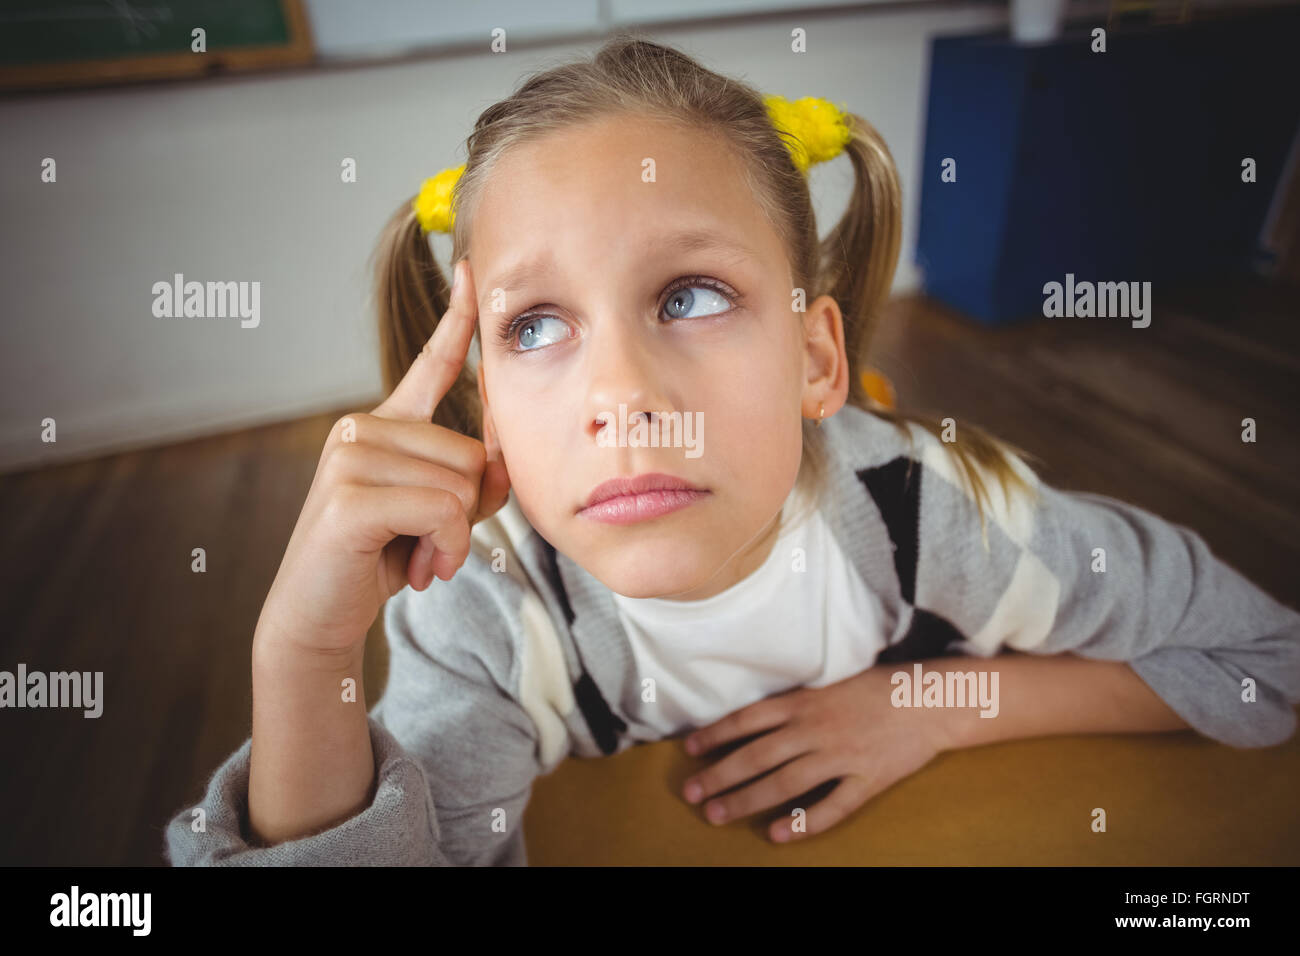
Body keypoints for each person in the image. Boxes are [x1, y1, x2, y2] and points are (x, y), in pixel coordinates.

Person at [164, 34, 1300, 866]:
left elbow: (1260, 657)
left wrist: (940, 704)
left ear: (815, 360)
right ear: (489, 410)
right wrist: (304, 653)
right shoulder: (483, 611)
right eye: (535, 325)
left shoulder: (933, 517)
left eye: (692, 294)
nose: (622, 395)